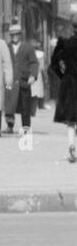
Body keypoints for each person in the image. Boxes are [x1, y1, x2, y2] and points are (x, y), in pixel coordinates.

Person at [3, 22, 39, 135]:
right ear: (10, 35)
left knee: (25, 106)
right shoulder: (6, 47)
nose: (15, 36)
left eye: (17, 34)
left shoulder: (27, 47)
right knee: (9, 105)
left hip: (24, 80)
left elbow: (34, 62)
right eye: (12, 34)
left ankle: (26, 127)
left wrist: (33, 76)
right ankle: (9, 125)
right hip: (10, 80)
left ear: (20, 35)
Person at [50, 29, 77, 164]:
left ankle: (71, 146)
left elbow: (54, 63)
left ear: (72, 29)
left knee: (71, 119)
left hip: (70, 84)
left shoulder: (65, 44)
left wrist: (63, 76)